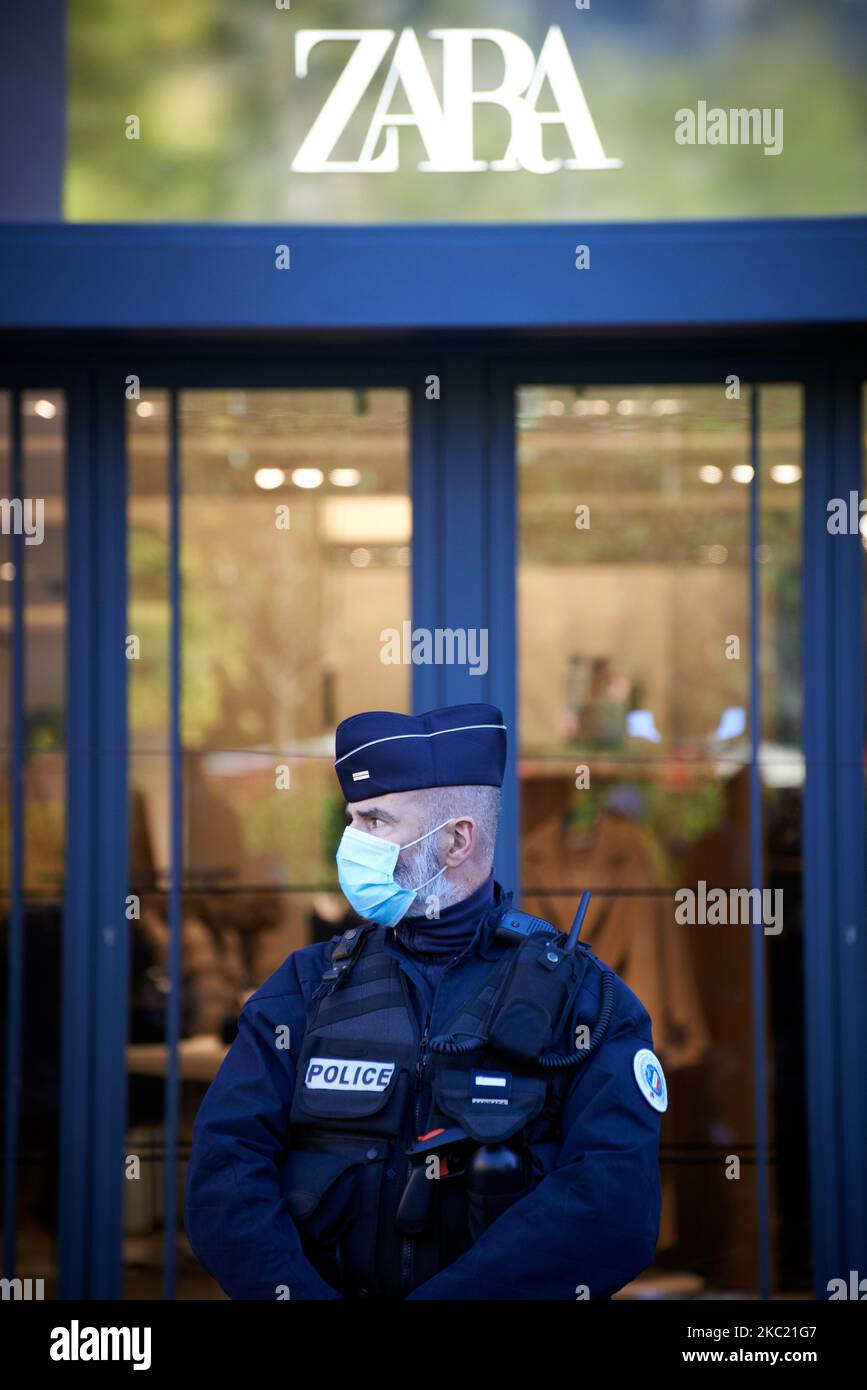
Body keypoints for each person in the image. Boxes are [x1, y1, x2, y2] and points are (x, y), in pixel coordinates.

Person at [184, 702, 664, 1300]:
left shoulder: (587, 1001)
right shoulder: (308, 986)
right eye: (352, 820)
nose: (352, 842)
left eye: (376, 822)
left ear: (457, 840)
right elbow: (226, 1171)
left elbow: (612, 1206)